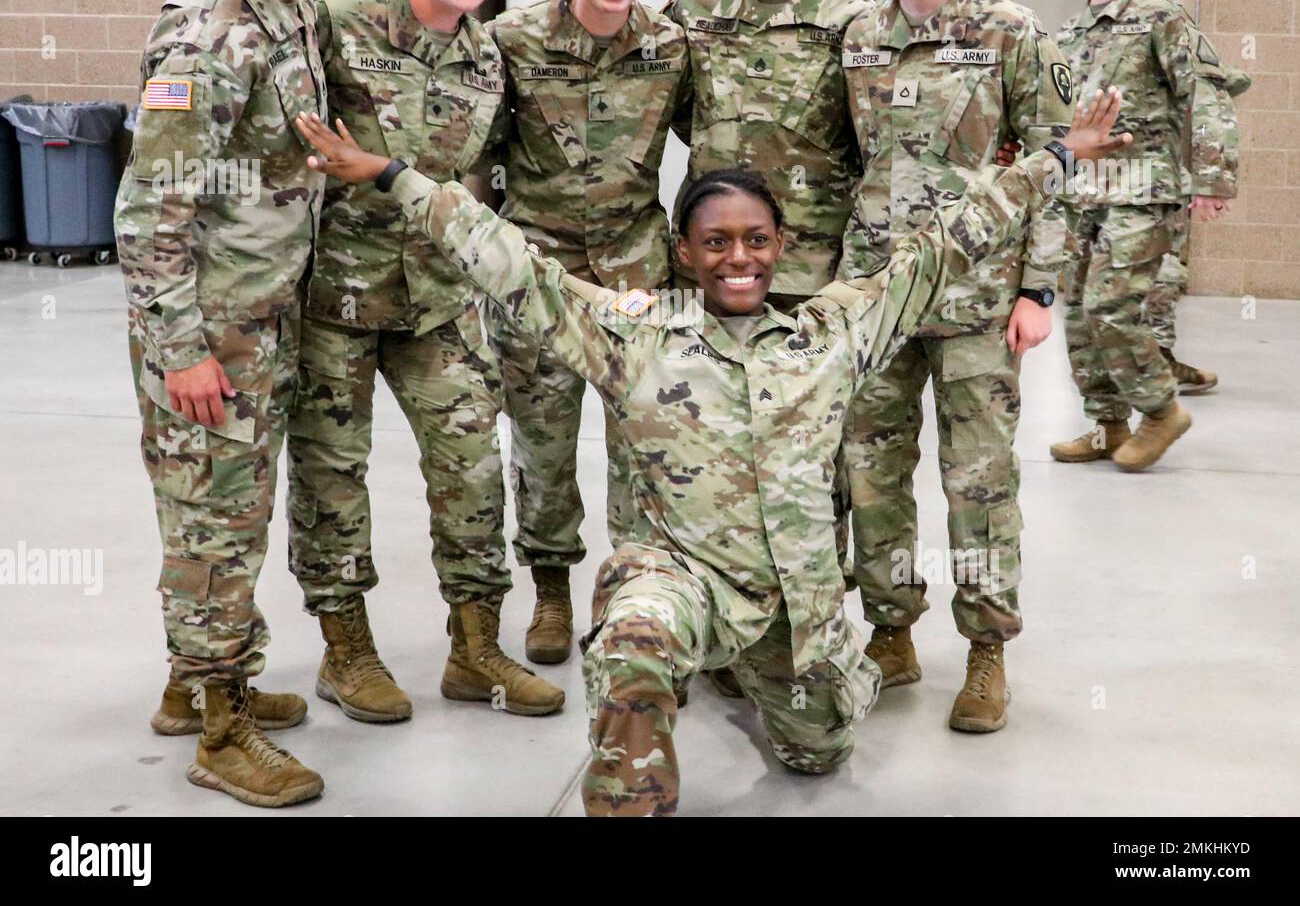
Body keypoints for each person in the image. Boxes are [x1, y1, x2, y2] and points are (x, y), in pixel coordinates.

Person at [293, 87, 1131, 816]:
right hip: (678, 581)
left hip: (793, 606)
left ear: (780, 244)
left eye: (757, 239)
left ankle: (834, 674)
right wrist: (393, 176)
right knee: (633, 646)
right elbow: (515, 266)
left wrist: (1058, 155)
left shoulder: (833, 330)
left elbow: (947, 242)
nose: (740, 257)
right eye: (718, 241)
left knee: (820, 751)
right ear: (686, 252)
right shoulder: (634, 332)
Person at [285, 0, 563, 720]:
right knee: (332, 478)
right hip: (335, 297)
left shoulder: (489, 59)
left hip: (438, 303)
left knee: (473, 471)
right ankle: (346, 651)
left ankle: (476, 650)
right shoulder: (338, 24)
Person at [114, 0, 330, 807]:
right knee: (212, 525)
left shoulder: (293, 11)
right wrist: (183, 350)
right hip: (208, 333)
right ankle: (221, 726)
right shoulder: (203, 29)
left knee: (230, 519)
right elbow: (150, 206)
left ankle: (196, 678)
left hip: (262, 321)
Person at [835, 0, 1075, 733]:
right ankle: (892, 630)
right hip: (881, 293)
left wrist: (1039, 286)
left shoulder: (1011, 30)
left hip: (979, 296)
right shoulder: (857, 33)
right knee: (872, 472)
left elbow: (1056, 157)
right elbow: (843, 165)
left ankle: (986, 650)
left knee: (977, 479)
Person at [668, 0, 874, 697]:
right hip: (721, 271)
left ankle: (809, 625)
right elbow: (678, 114)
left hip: (811, 269)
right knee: (716, 448)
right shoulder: (694, 12)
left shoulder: (852, 20)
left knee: (812, 457)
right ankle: (726, 619)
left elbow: (869, 133)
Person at [484, 0, 692, 664]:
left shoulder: (671, 46)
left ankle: (637, 595)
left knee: (644, 448)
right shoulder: (513, 40)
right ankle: (549, 590)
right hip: (542, 279)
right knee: (542, 444)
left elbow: (711, 136)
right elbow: (478, 151)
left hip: (639, 275)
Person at [1051, 0, 1234, 472]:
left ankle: (1160, 410)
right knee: (1080, 313)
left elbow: (1206, 91)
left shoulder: (1158, 14)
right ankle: (1107, 425)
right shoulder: (1072, 31)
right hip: (1085, 193)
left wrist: (1211, 175)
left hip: (1143, 188)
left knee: (1111, 306)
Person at [1129, 0, 1248, 393]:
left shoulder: (1104, 10)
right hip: (1155, 173)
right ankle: (1152, 369)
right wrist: (1211, 178)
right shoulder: (1162, 11)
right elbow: (1207, 91)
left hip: (1113, 176)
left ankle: (1146, 364)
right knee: (1162, 270)